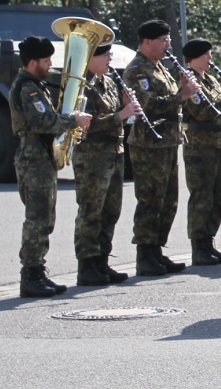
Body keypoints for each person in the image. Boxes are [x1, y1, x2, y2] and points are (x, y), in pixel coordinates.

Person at [12, 35, 88, 297]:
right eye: (46, 60)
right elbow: (43, 121)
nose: (50, 64)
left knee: (46, 218)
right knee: (37, 218)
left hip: (40, 157)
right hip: (33, 158)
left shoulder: (36, 85)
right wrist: (73, 119)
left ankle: (37, 271)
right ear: (32, 62)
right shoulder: (28, 88)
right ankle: (30, 275)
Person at [124, 19, 199, 276]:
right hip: (148, 144)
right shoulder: (137, 70)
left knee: (168, 200)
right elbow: (148, 104)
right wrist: (182, 95)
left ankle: (157, 250)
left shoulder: (161, 68)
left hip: (168, 140)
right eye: (163, 41)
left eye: (168, 40)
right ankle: (145, 254)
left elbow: (172, 103)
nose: (168, 45)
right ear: (148, 42)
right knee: (150, 199)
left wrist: (182, 89)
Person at [71, 40, 139, 286]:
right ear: (92, 59)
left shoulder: (109, 81)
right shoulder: (80, 86)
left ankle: (101, 261)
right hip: (92, 156)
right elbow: (86, 122)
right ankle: (87, 265)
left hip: (114, 152)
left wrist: (125, 106)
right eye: (106, 56)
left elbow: (116, 115)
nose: (111, 60)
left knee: (111, 211)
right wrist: (121, 114)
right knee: (91, 211)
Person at [180, 38, 221, 265]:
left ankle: (209, 241)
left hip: (218, 142)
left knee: (218, 195)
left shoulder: (210, 79)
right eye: (206, 55)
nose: (210, 59)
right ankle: (199, 246)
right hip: (200, 145)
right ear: (194, 57)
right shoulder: (187, 79)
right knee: (202, 195)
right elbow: (203, 112)